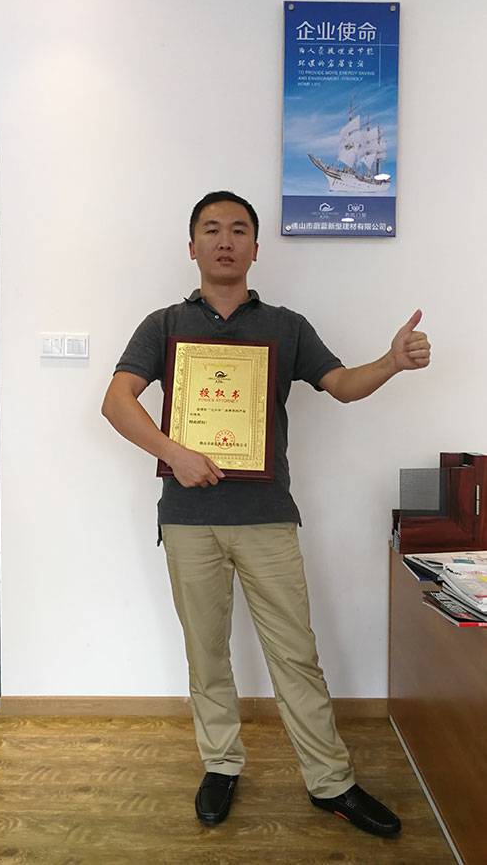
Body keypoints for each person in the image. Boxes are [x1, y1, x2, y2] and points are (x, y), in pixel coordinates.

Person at [102, 190, 431, 836]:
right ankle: (221, 765)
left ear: (256, 247)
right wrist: (175, 454)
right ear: (192, 246)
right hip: (188, 519)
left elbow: (341, 385)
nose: (225, 240)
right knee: (206, 654)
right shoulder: (163, 325)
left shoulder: (286, 326)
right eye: (211, 229)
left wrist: (392, 362)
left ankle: (330, 782)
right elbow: (117, 402)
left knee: (296, 655)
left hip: (268, 516)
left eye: (238, 230)